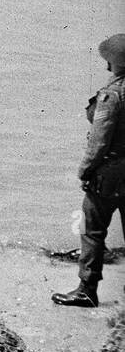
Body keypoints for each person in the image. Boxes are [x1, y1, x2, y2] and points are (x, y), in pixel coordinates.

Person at [53, 33, 125, 307]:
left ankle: (86, 289)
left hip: (108, 175)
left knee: (92, 231)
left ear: (116, 64)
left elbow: (99, 142)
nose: (107, 67)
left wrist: (84, 171)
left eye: (109, 62)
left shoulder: (111, 96)